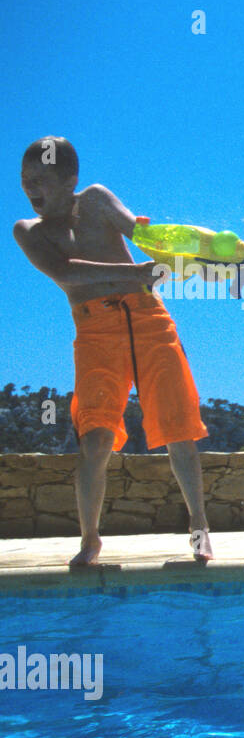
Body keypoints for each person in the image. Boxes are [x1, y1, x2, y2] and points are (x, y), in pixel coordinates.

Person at [13, 136, 213, 565]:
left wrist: (195, 253)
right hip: (95, 332)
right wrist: (136, 272)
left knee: (178, 429)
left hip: (147, 319)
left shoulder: (99, 199)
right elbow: (66, 273)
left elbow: (140, 234)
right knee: (96, 438)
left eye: (39, 180)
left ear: (70, 180)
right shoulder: (27, 231)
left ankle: (199, 529)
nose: (30, 189)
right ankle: (90, 540)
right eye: (25, 181)